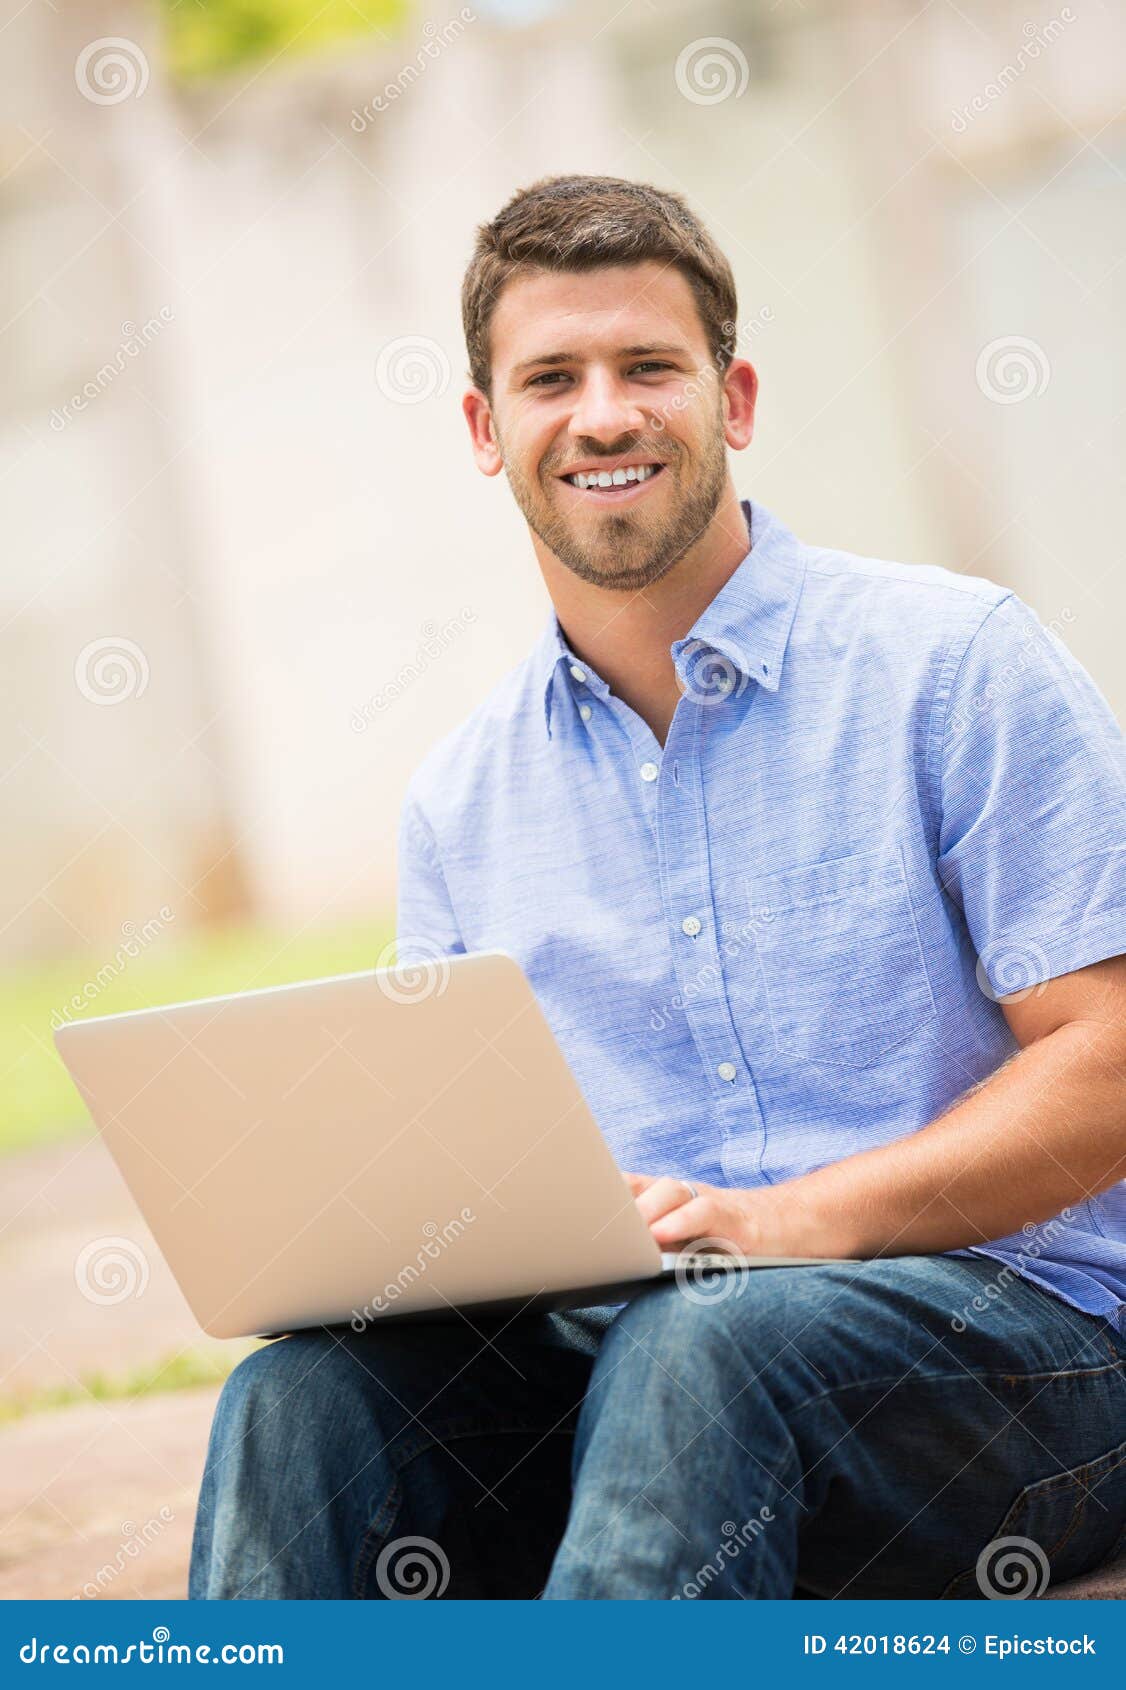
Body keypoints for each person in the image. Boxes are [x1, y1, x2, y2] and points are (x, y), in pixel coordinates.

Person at [190, 176, 1126, 1601]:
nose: (603, 415)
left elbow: (1107, 1067)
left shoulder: (954, 665)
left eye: (648, 367)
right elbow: (456, 1191)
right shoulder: (461, 801)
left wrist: (787, 1221)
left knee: (704, 1345)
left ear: (732, 398)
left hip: (1020, 1365)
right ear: (483, 429)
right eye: (549, 378)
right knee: (305, 1397)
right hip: (645, 1378)